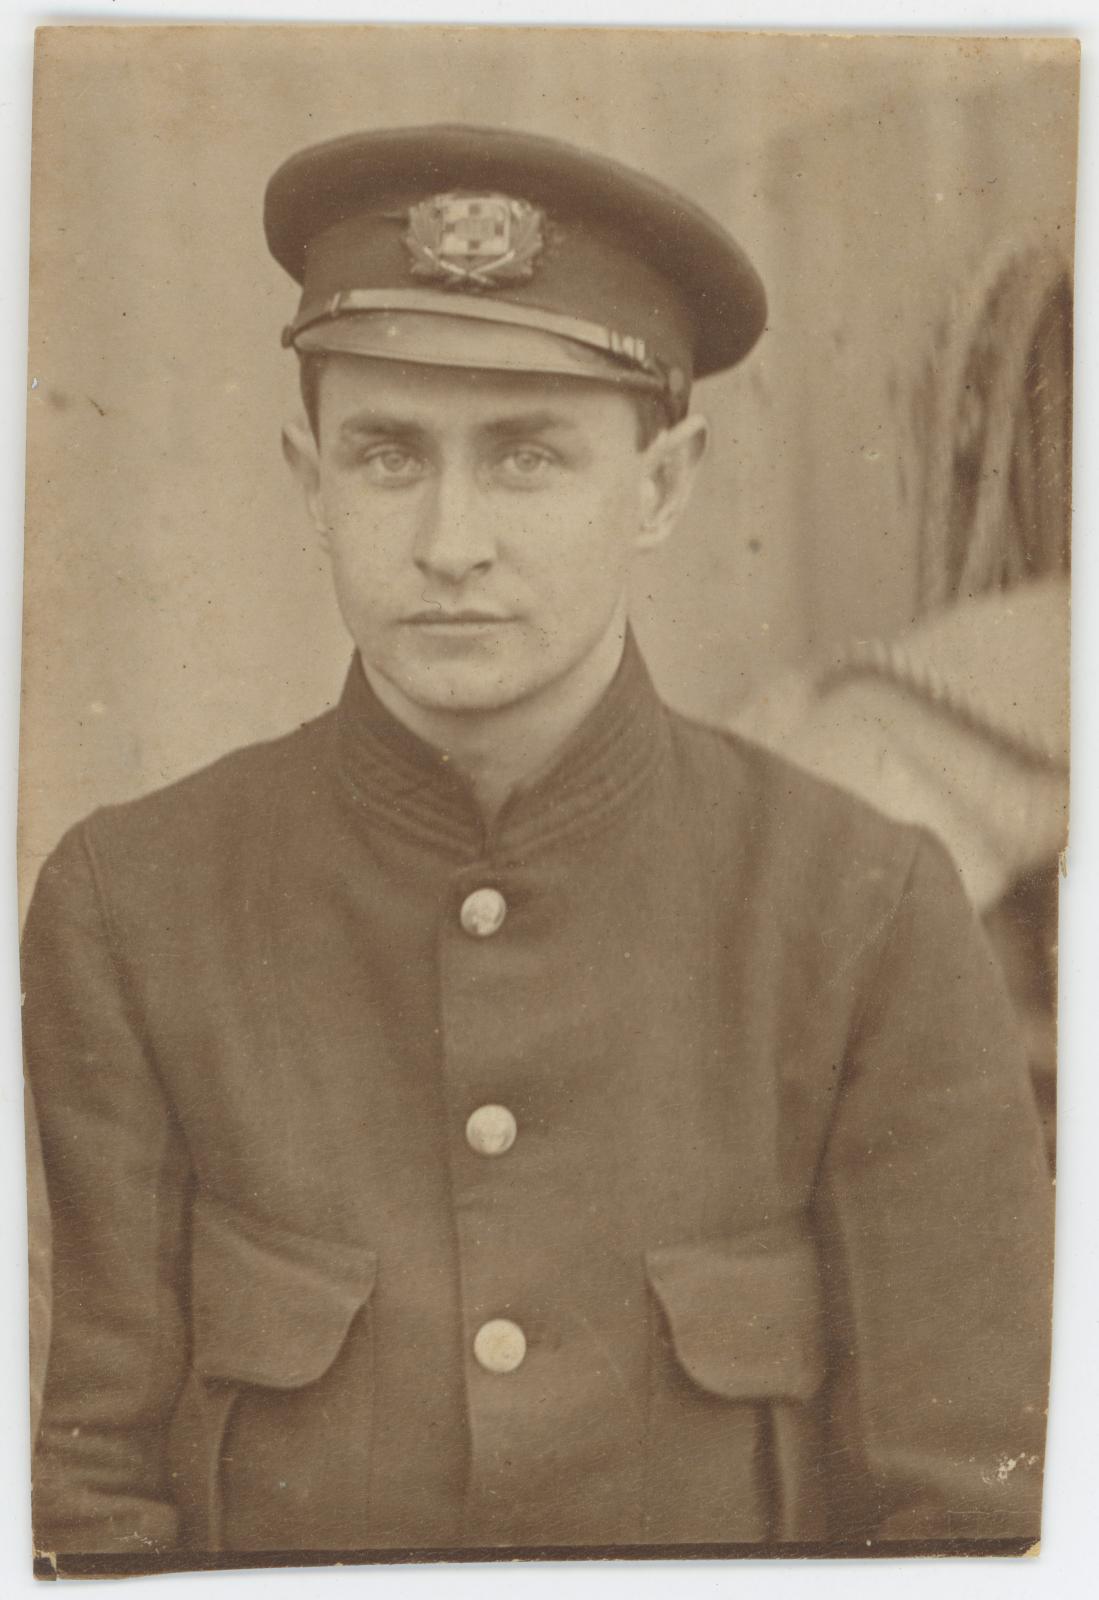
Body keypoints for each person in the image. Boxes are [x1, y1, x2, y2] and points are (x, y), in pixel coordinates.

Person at [23, 124, 1052, 1561]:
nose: (451, 540)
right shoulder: (131, 908)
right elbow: (80, 1509)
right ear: (305, 474)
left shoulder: (862, 912)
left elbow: (969, 1526)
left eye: (526, 457)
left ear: (663, 484)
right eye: (388, 455)